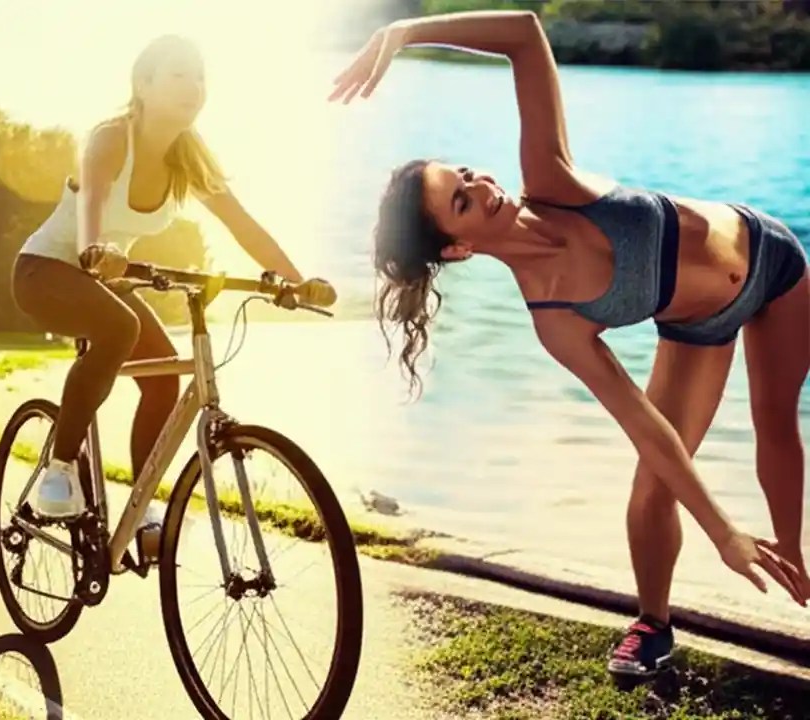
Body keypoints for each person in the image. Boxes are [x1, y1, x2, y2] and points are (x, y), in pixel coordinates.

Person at [330, 10, 809, 683]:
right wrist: (723, 532)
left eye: (468, 174)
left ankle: (799, 578)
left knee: (775, 424)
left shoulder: (552, 181)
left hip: (773, 259)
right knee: (653, 482)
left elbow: (526, 33)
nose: (485, 188)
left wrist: (406, 32)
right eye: (464, 201)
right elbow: (645, 425)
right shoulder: (557, 319)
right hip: (700, 326)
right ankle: (654, 624)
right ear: (459, 247)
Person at [12, 34, 336, 523]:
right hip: (42, 270)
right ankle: (59, 468)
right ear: (143, 84)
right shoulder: (111, 137)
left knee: (164, 377)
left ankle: (141, 511)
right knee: (120, 328)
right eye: (179, 74)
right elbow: (92, 203)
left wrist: (295, 281)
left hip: (104, 280)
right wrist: (94, 252)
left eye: (200, 76)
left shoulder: (190, 156)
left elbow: (241, 223)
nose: (194, 86)